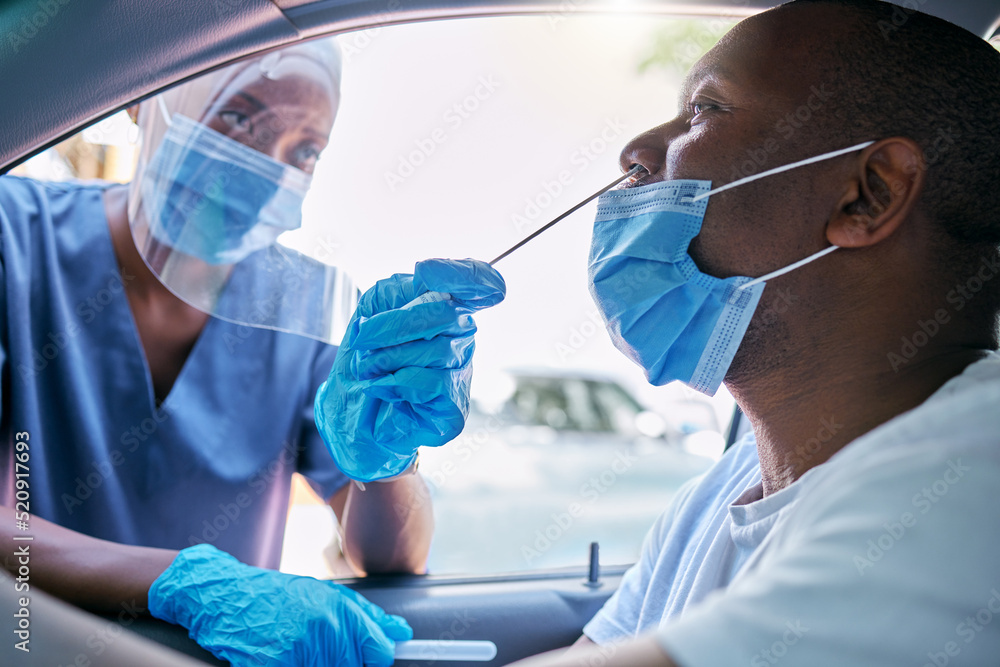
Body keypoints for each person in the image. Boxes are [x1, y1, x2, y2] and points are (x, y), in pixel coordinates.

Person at [328, 0, 1000, 664]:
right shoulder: (724, 488)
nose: (637, 150)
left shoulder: (976, 471)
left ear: (868, 195)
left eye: (705, 108)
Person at [0, 39, 466, 666]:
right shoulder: (17, 240)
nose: (265, 168)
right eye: (237, 118)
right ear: (143, 99)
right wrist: (178, 583)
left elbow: (390, 559)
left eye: (303, 151)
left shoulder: (303, 309)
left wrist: (386, 458)